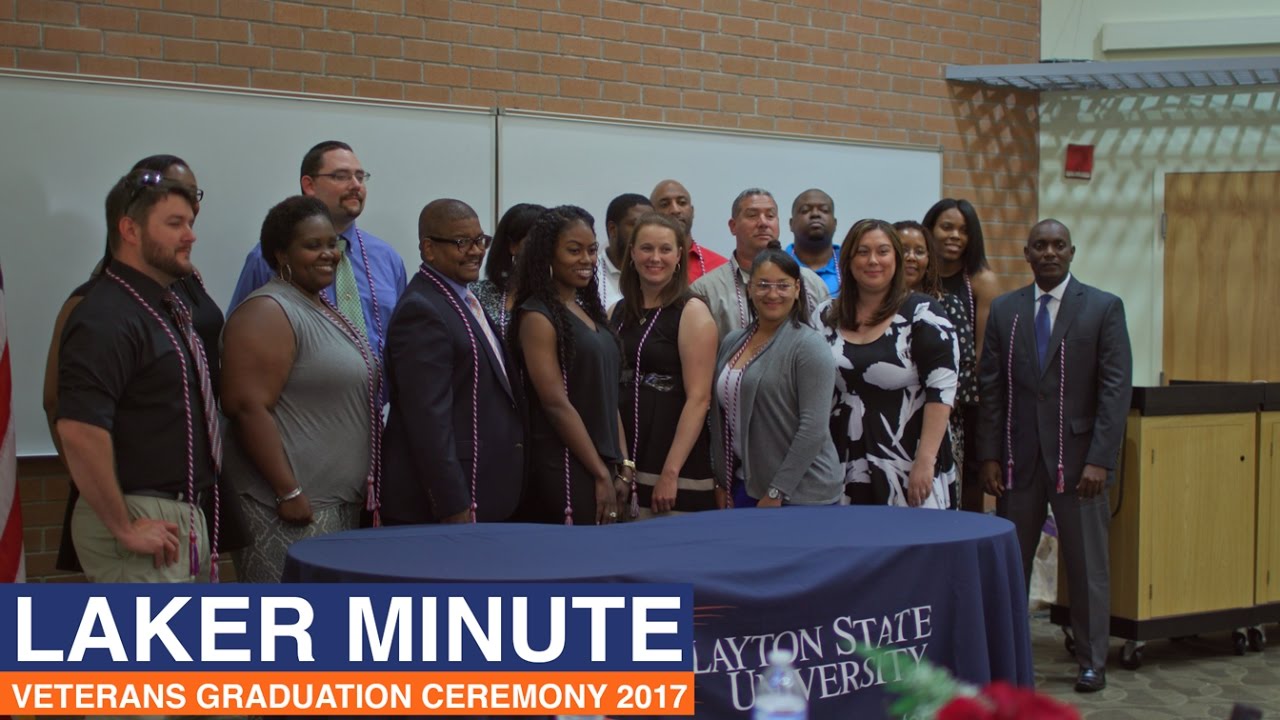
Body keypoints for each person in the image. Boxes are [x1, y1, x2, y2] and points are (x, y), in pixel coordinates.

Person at [44, 155, 229, 575]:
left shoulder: (159, 306)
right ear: (130, 229)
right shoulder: (106, 315)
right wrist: (123, 526)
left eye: (190, 223)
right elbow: (78, 429)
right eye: (175, 224)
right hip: (139, 517)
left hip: (182, 516)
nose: (191, 236)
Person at [977, 219, 1132, 693]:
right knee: (1012, 565)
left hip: (1080, 462)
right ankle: (1010, 661)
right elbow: (990, 387)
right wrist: (989, 455)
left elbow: (1114, 389)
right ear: (1026, 254)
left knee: (1087, 569)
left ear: (1072, 252)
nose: (1049, 252)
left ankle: (1091, 661)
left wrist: (1101, 460)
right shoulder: (1006, 310)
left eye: (1058, 245)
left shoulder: (1103, 308)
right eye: (1040, 245)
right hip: (1017, 463)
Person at [220, 196, 380, 583]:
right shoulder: (268, 310)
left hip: (335, 506)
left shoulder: (320, 305)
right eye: (313, 246)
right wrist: (288, 492)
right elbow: (246, 407)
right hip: (287, 510)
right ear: (279, 253)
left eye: (332, 244)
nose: (328, 254)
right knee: (283, 627)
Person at [381, 199, 524, 525]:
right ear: (428, 249)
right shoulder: (422, 310)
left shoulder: (461, 295)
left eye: (480, 240)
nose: (476, 251)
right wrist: (452, 503)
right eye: (462, 242)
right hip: (454, 501)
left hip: (486, 487)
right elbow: (428, 421)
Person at [817, 220, 959, 508]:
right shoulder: (824, 315)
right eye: (862, 252)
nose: (873, 261)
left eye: (882, 251)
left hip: (908, 457)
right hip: (843, 457)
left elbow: (942, 391)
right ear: (848, 260)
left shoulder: (923, 313)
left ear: (895, 258)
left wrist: (925, 460)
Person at [230, 140, 406, 363]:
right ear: (309, 185)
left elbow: (403, 340)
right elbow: (240, 341)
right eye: (341, 176)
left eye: (360, 177)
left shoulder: (386, 258)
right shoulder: (273, 257)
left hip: (380, 397)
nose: (356, 185)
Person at [510, 206, 630, 526]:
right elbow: (555, 404)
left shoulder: (588, 311)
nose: (587, 260)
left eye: (592, 250)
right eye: (573, 250)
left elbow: (607, 393)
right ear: (547, 255)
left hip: (604, 463)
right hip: (566, 465)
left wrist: (623, 463)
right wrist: (599, 471)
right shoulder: (537, 316)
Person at [710, 242, 841, 509]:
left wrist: (777, 491)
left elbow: (813, 429)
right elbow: (720, 418)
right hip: (747, 483)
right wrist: (721, 480)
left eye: (782, 285)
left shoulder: (809, 346)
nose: (772, 294)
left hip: (800, 493)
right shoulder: (733, 341)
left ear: (796, 290)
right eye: (763, 285)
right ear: (750, 289)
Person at [610, 213, 718, 517]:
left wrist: (670, 473)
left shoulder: (692, 312)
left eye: (665, 249)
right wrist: (621, 465)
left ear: (679, 256)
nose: (655, 258)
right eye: (646, 248)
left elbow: (699, 399)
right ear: (631, 253)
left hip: (675, 460)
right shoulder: (615, 313)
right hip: (627, 459)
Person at [923, 199, 999, 513]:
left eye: (964, 230)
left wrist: (951, 397)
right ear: (930, 230)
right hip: (918, 397)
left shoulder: (981, 281)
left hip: (966, 402)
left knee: (965, 489)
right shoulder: (914, 276)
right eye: (947, 227)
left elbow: (984, 350)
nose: (955, 235)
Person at [895, 219, 973, 505]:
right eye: (904, 249)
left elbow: (961, 372)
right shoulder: (867, 307)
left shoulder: (947, 305)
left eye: (920, 251)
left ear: (929, 259)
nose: (912, 257)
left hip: (936, 426)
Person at [692, 188, 829, 341]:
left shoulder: (811, 282)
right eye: (752, 215)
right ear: (733, 226)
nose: (763, 222)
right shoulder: (706, 290)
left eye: (770, 216)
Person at [471, 202, 544, 338]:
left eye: (550, 242)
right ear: (513, 246)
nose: (544, 249)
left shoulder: (566, 296)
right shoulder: (477, 295)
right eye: (535, 242)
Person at [649, 179, 727, 282]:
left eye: (682, 203)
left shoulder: (721, 267)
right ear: (651, 214)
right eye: (665, 204)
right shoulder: (645, 264)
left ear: (692, 211)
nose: (675, 210)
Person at [599, 193, 653, 308]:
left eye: (650, 225)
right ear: (612, 229)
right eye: (636, 224)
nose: (645, 233)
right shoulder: (590, 272)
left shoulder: (657, 272)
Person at [787, 188, 840, 295]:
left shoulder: (850, 263)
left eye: (824, 210)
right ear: (791, 224)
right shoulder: (776, 265)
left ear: (835, 224)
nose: (815, 214)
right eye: (805, 210)